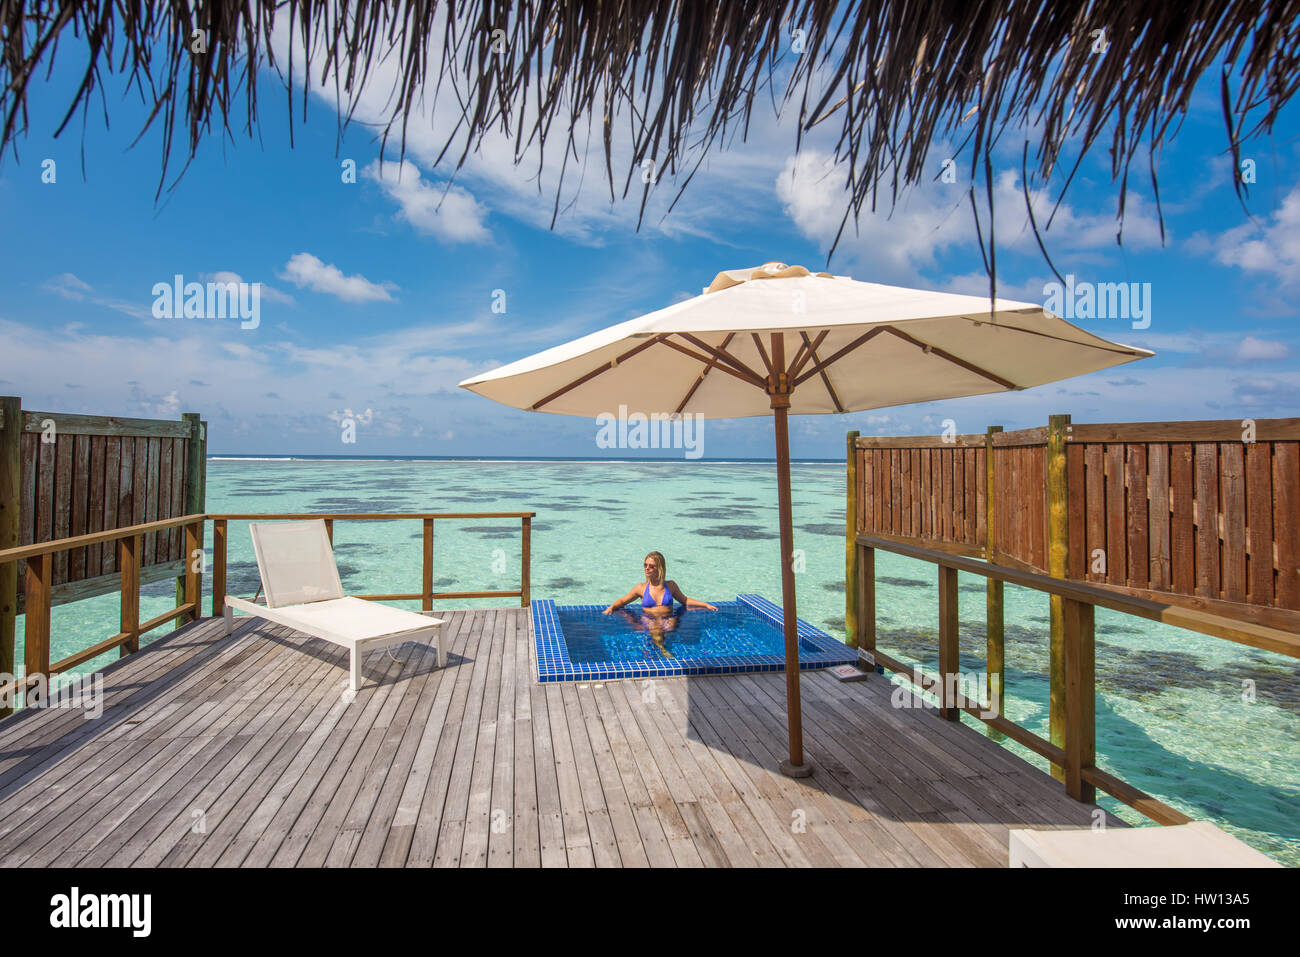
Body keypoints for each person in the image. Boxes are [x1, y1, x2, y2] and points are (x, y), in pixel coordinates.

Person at [602, 551, 717, 657]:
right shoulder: (641, 588)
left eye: (651, 566)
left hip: (668, 619)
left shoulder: (671, 585)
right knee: (656, 629)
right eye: (645, 565)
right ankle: (663, 650)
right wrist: (611, 608)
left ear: (660, 568)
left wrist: (705, 605)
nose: (647, 568)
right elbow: (623, 601)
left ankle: (655, 648)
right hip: (648, 619)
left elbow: (684, 600)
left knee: (669, 631)